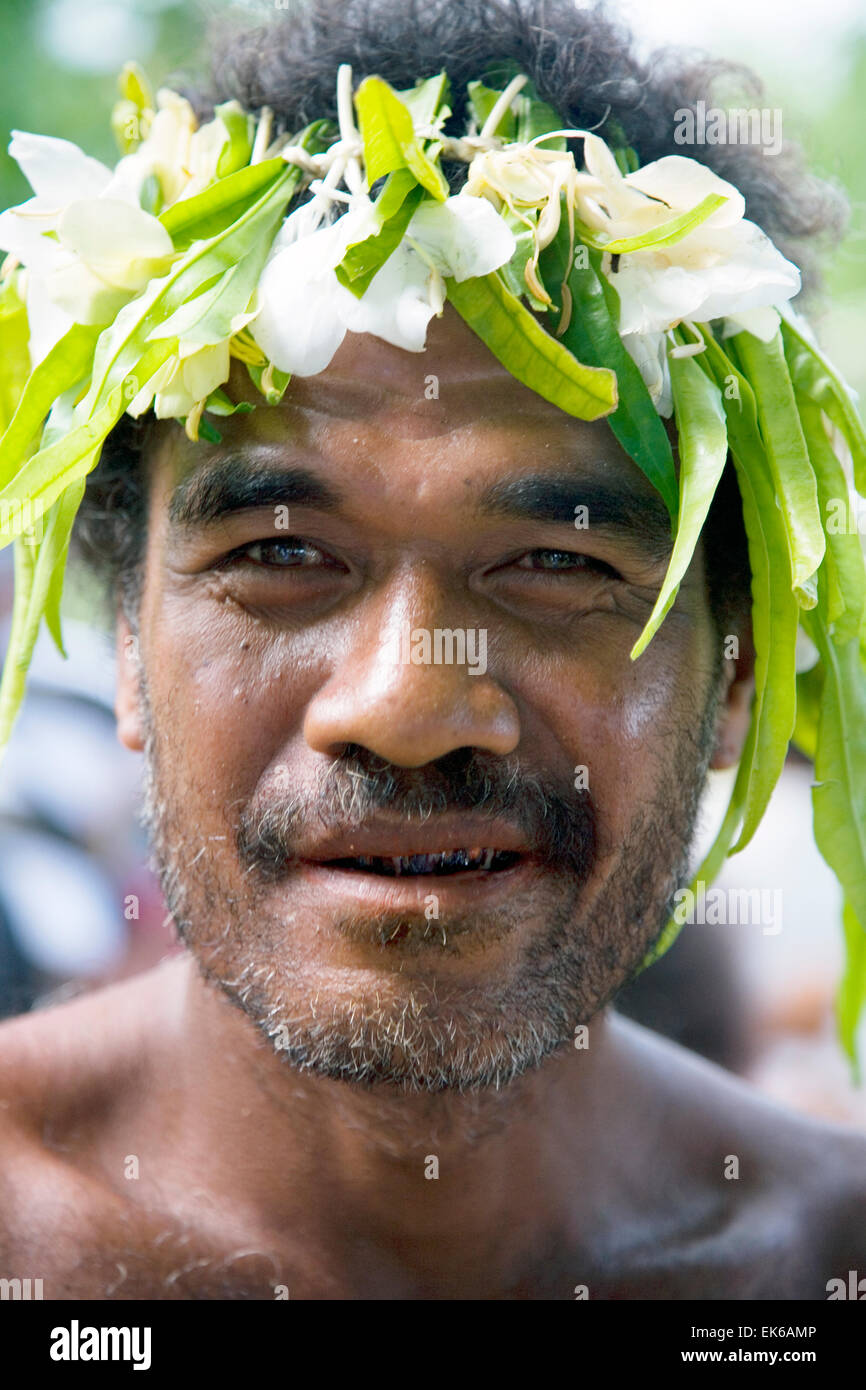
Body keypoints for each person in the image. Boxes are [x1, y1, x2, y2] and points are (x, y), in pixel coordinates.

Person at [0, 0, 864, 1300]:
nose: (403, 705)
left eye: (559, 563)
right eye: (281, 556)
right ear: (129, 645)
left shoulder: (823, 1263)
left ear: (734, 672)